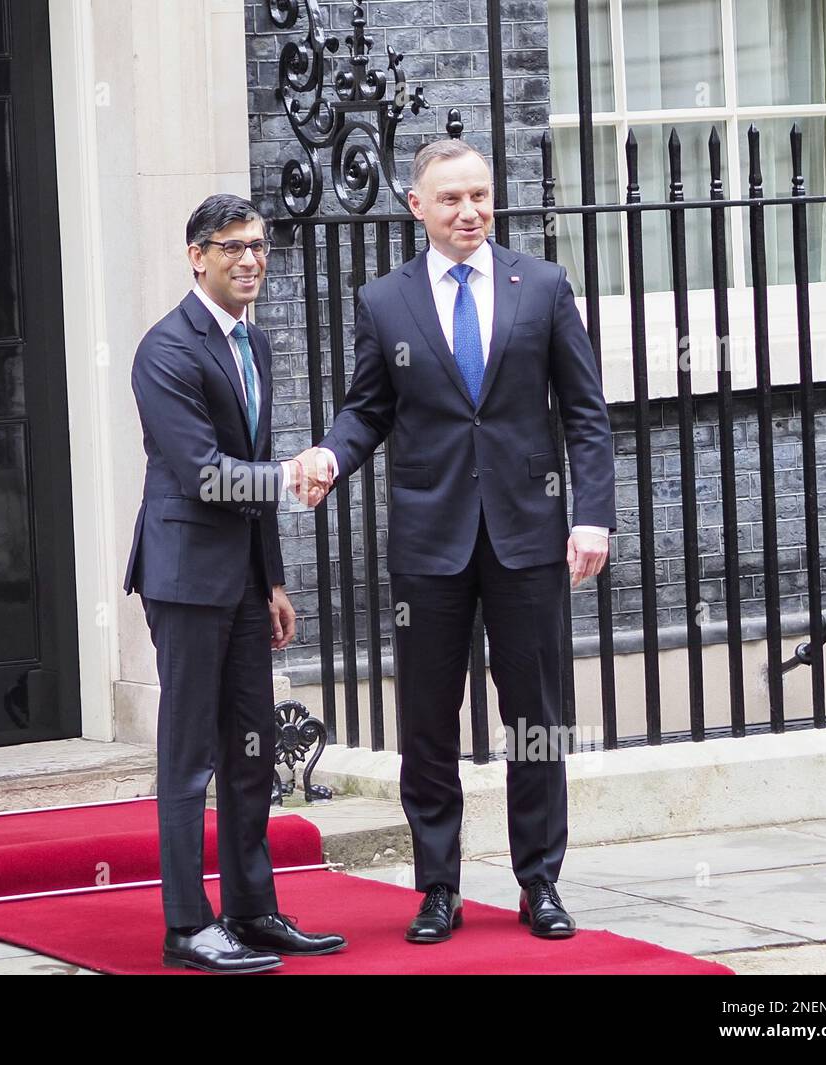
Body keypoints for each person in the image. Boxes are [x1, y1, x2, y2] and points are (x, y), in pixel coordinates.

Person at [299, 140, 616, 942]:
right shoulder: (384, 301)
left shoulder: (540, 285)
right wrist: (331, 455)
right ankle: (438, 886)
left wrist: (591, 514)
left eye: (480, 195)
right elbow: (368, 407)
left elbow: (584, 410)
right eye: (451, 199)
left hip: (527, 539)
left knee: (536, 717)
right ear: (417, 207)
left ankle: (539, 881)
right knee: (429, 725)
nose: (470, 211)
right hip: (430, 544)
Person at [124, 193, 346, 973]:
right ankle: (188, 924)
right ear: (196, 256)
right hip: (185, 580)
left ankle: (253, 910)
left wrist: (274, 580)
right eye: (232, 247)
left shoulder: (253, 342)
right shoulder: (166, 350)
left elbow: (249, 464)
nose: (250, 259)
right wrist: (292, 477)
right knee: (190, 756)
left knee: (252, 752)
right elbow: (205, 476)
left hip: (245, 586)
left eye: (258, 245)